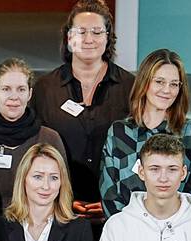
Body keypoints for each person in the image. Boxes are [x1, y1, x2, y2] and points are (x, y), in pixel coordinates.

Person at [31, 1, 133, 223]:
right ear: (69, 38)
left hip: (118, 211)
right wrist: (60, 197)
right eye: (81, 32)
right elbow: (34, 151)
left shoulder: (131, 88)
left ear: (108, 38)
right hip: (58, 208)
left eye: (97, 32)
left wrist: (113, 200)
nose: (88, 39)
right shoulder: (44, 89)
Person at [100, 48, 191, 218]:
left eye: (174, 84)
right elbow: (110, 194)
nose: (167, 90)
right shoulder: (119, 132)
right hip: (127, 233)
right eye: (159, 82)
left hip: (176, 233)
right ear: (144, 82)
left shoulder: (190, 133)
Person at [0, 58, 67, 211]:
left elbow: (63, 193)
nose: (14, 97)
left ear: (30, 94)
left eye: (21, 89)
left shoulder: (50, 139)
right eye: (6, 89)